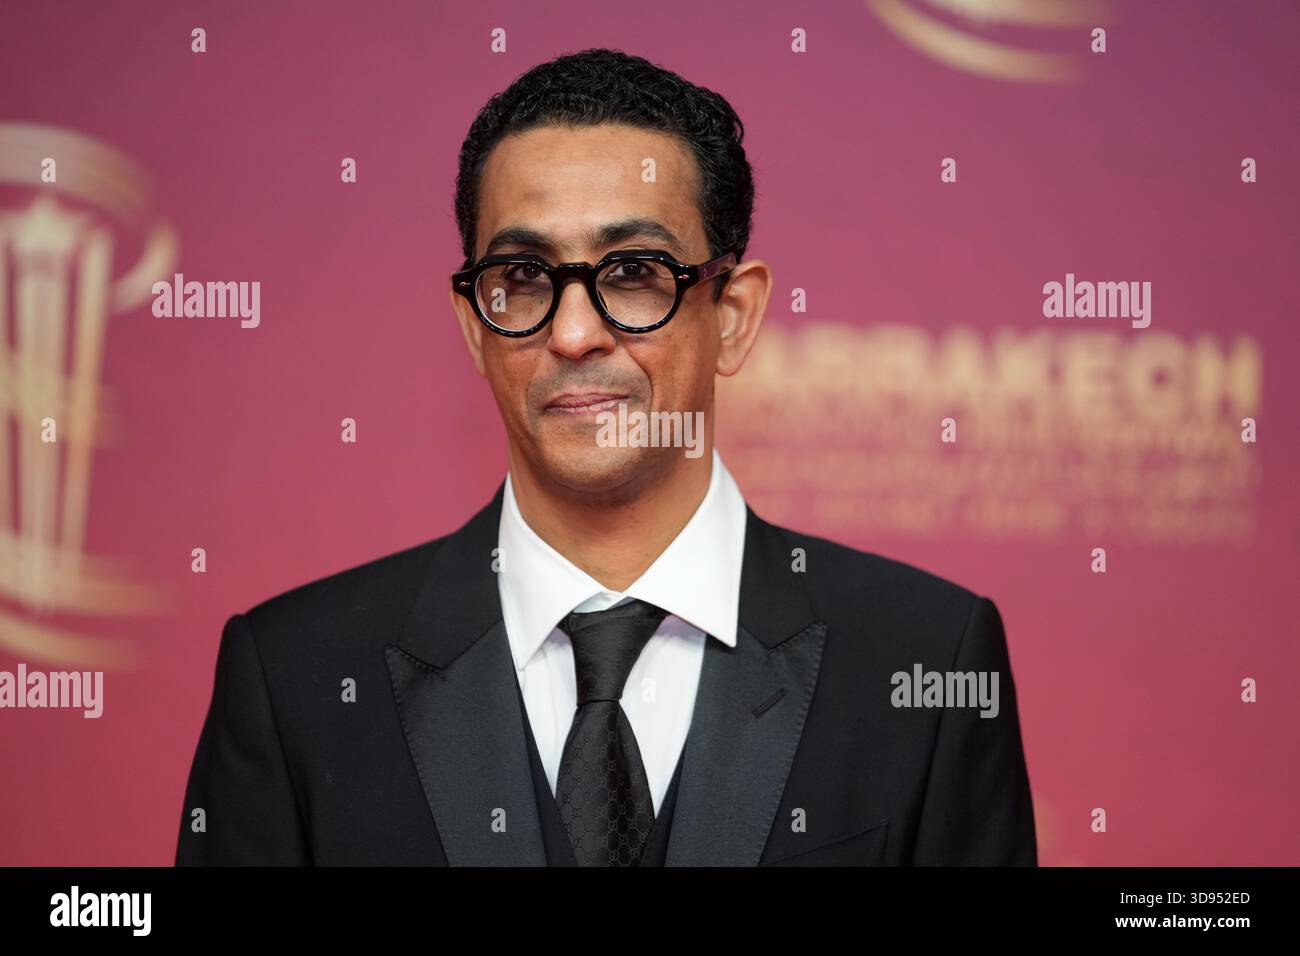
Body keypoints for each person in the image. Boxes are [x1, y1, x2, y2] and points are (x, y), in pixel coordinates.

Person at [176, 47, 1035, 866]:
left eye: (632, 272)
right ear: (474, 325)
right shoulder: (297, 677)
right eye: (521, 275)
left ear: (732, 315)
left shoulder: (923, 657)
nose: (574, 333)